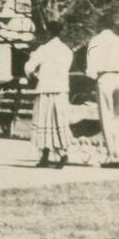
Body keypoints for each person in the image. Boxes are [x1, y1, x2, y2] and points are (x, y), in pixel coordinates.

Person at [23, 21, 73, 168]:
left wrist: (33, 76)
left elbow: (28, 67)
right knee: (58, 123)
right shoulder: (67, 50)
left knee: (44, 122)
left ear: (48, 32)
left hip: (45, 89)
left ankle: (45, 156)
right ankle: (62, 153)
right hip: (61, 91)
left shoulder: (43, 49)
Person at [85, 22, 119, 169]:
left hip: (105, 78)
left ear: (98, 27)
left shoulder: (95, 41)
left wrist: (94, 76)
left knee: (106, 117)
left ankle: (111, 156)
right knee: (118, 117)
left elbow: (90, 70)